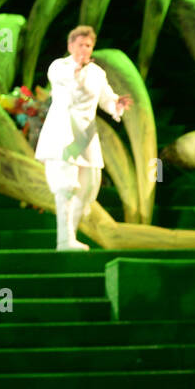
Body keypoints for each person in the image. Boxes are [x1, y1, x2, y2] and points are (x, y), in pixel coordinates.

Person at [34, 25, 133, 251]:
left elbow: (106, 97)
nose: (84, 49)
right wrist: (76, 70)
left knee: (89, 188)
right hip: (63, 133)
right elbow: (64, 86)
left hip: (86, 137)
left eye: (88, 45)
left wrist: (116, 104)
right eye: (80, 45)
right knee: (65, 186)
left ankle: (71, 233)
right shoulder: (59, 67)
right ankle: (64, 240)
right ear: (70, 46)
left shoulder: (97, 73)